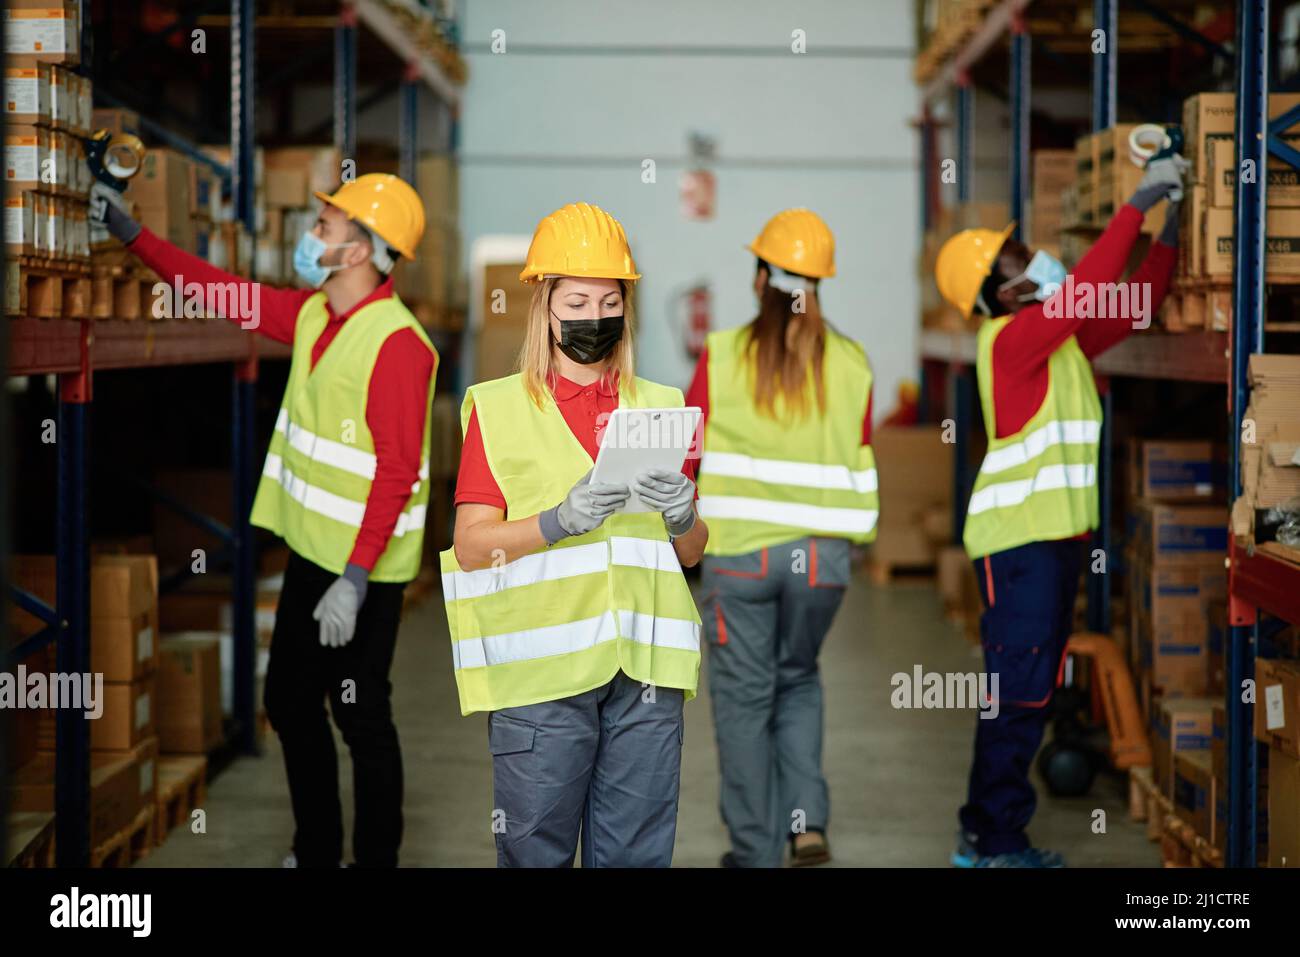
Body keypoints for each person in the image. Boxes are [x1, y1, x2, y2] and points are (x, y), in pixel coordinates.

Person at [92, 174, 439, 868]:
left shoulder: (399, 345)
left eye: (325, 227)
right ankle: (315, 851)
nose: (310, 236)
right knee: (288, 698)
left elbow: (397, 470)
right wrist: (132, 235)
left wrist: (357, 577)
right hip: (317, 555)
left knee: (362, 716)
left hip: (362, 573)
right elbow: (220, 292)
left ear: (363, 250)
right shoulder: (313, 315)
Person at [933, 156, 1185, 868]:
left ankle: (988, 832)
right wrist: (1135, 203)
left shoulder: (1059, 341)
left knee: (1030, 693)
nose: (1041, 262)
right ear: (1001, 290)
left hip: (1051, 543)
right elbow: (1087, 290)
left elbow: (1131, 305)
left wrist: (1168, 228)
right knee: (1017, 697)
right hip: (1019, 550)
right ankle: (991, 840)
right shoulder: (1013, 341)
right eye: (1021, 259)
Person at [440, 202, 708, 868]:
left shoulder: (663, 408)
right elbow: (473, 546)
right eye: (578, 299)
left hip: (644, 676)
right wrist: (558, 521)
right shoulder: (500, 410)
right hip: (543, 680)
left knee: (635, 857)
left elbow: (692, 550)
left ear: (627, 307)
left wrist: (683, 515)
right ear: (546, 308)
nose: (594, 316)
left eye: (608, 299)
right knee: (537, 854)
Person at [686, 208, 879, 868]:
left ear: (761, 274)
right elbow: (860, 447)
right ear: (819, 283)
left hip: (741, 557)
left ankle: (754, 851)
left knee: (743, 703)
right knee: (797, 679)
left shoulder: (721, 355)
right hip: (823, 561)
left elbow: (687, 454)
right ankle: (806, 824)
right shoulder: (853, 362)